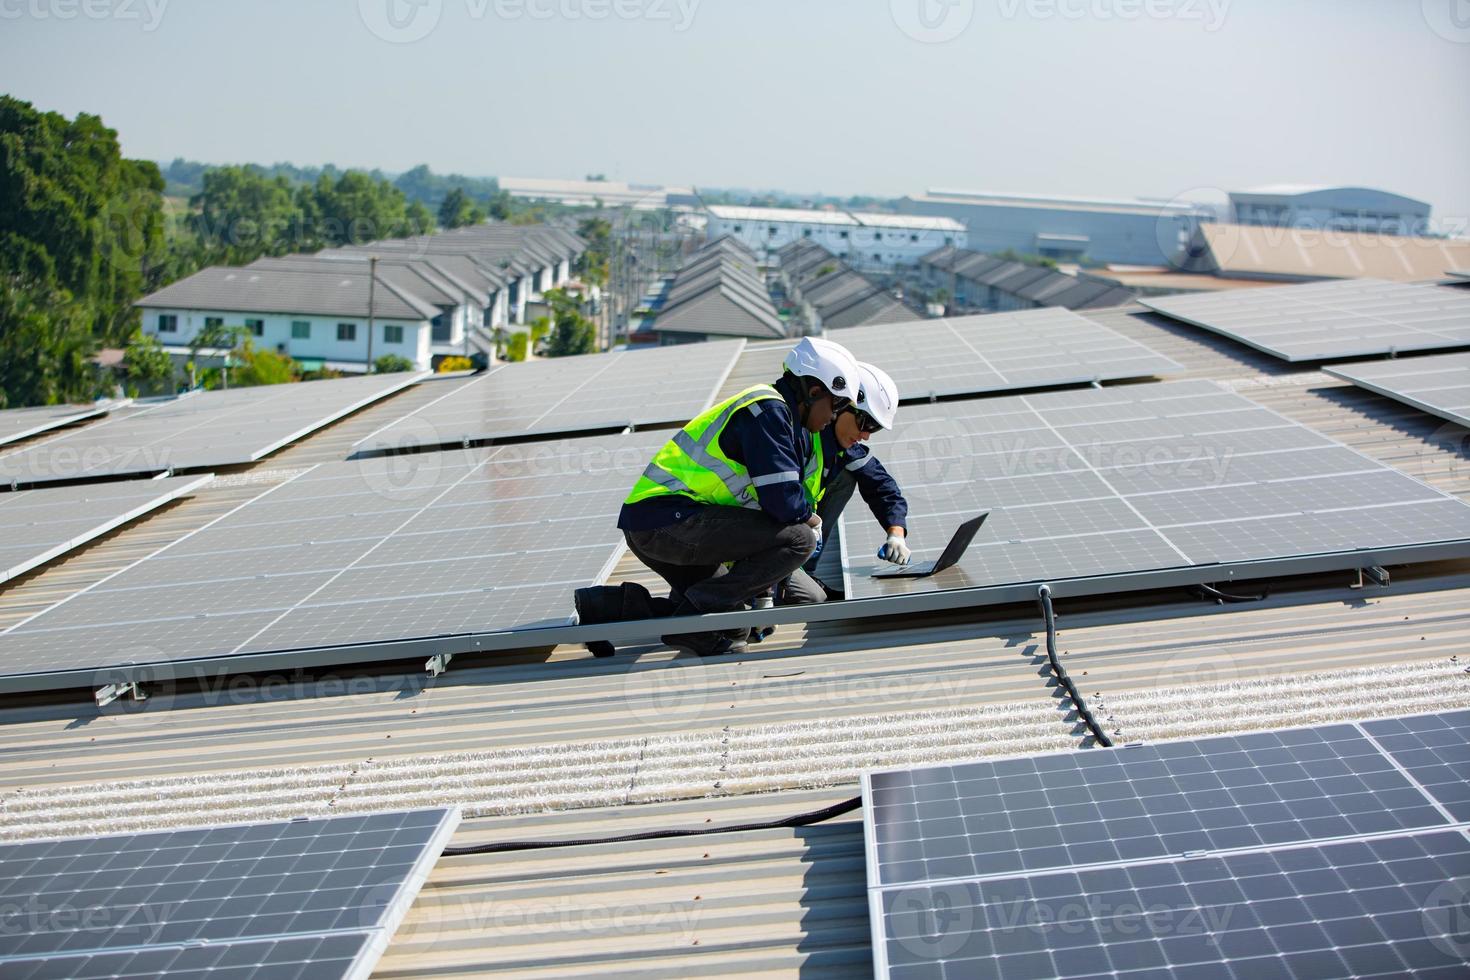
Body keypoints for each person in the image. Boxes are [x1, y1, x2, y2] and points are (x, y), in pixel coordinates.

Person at [610, 337, 861, 657]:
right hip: (667, 522)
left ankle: (606, 606)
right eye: (837, 404)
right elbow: (781, 502)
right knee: (800, 539)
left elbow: (760, 515)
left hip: (658, 526)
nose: (836, 416)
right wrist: (812, 519)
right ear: (814, 392)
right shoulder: (769, 411)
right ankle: (690, 618)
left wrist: (762, 593)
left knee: (735, 627)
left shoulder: (786, 420)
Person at [776, 360, 911, 606]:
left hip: (799, 533)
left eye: (875, 428)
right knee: (812, 598)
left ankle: (805, 570)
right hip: (770, 538)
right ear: (840, 406)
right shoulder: (800, 435)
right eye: (865, 423)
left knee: (848, 475)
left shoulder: (845, 447)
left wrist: (896, 534)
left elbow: (882, 487)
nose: (866, 434)